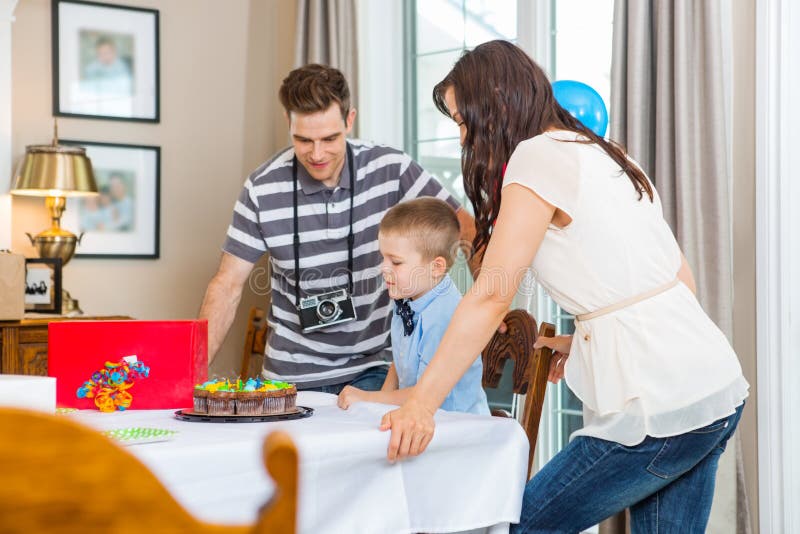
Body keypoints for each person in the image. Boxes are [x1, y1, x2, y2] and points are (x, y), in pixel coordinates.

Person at [379, 40, 749, 533]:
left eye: (463, 121)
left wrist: (420, 403)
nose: (464, 137)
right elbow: (679, 281)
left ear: (495, 104)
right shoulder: (608, 155)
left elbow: (492, 294)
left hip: (660, 406)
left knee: (522, 526)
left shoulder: (535, 157)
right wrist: (590, 339)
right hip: (712, 389)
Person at [199, 64, 478, 394]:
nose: (317, 154)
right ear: (288, 124)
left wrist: (488, 297)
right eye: (303, 140)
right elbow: (227, 286)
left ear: (349, 120)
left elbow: (465, 228)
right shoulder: (261, 188)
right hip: (291, 379)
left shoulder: (390, 169)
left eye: (329, 139)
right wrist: (190, 373)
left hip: (374, 370)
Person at [337, 198, 490, 415]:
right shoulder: (408, 298)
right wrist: (373, 407)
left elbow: (427, 393)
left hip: (454, 425)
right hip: (418, 415)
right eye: (383, 258)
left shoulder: (443, 317)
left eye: (396, 262)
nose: (383, 268)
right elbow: (398, 365)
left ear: (436, 267)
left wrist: (368, 397)